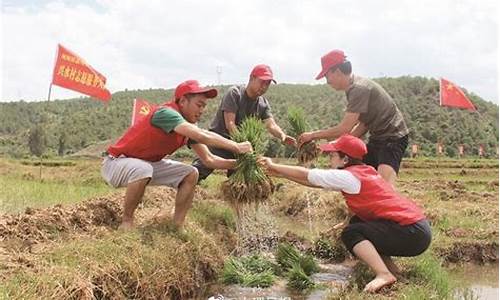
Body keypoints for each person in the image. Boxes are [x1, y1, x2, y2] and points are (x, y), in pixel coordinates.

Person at [258, 134, 431, 293]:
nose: (329, 158)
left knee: (352, 232)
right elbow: (315, 183)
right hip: (416, 230)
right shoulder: (364, 171)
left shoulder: (349, 176)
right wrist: (280, 174)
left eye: (333, 155)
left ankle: (383, 274)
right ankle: (393, 271)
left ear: (345, 159)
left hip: (411, 233)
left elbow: (309, 175)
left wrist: (273, 165)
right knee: (358, 222)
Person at [102, 80, 252, 230]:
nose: (201, 110)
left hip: (147, 164)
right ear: (183, 101)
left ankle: (177, 225)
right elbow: (202, 135)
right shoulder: (166, 113)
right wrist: (236, 146)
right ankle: (127, 221)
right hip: (116, 163)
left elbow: (209, 160)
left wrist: (241, 164)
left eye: (204, 106)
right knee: (142, 169)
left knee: (191, 173)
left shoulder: (188, 127)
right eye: (199, 105)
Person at [298, 50, 409, 186]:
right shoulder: (352, 88)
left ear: (337, 71)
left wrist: (312, 136)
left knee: (384, 187)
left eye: (327, 76)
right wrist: (337, 145)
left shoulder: (359, 89)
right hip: (377, 137)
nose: (327, 82)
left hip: (393, 137)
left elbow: (344, 128)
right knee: (362, 180)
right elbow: (363, 124)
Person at [192, 64, 296, 182]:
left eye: (267, 84)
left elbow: (271, 124)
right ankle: (176, 187)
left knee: (246, 181)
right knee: (198, 171)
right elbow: (230, 125)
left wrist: (282, 136)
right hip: (221, 143)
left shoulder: (263, 104)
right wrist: (240, 145)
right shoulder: (235, 93)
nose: (264, 87)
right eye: (262, 82)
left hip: (244, 148)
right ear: (252, 78)